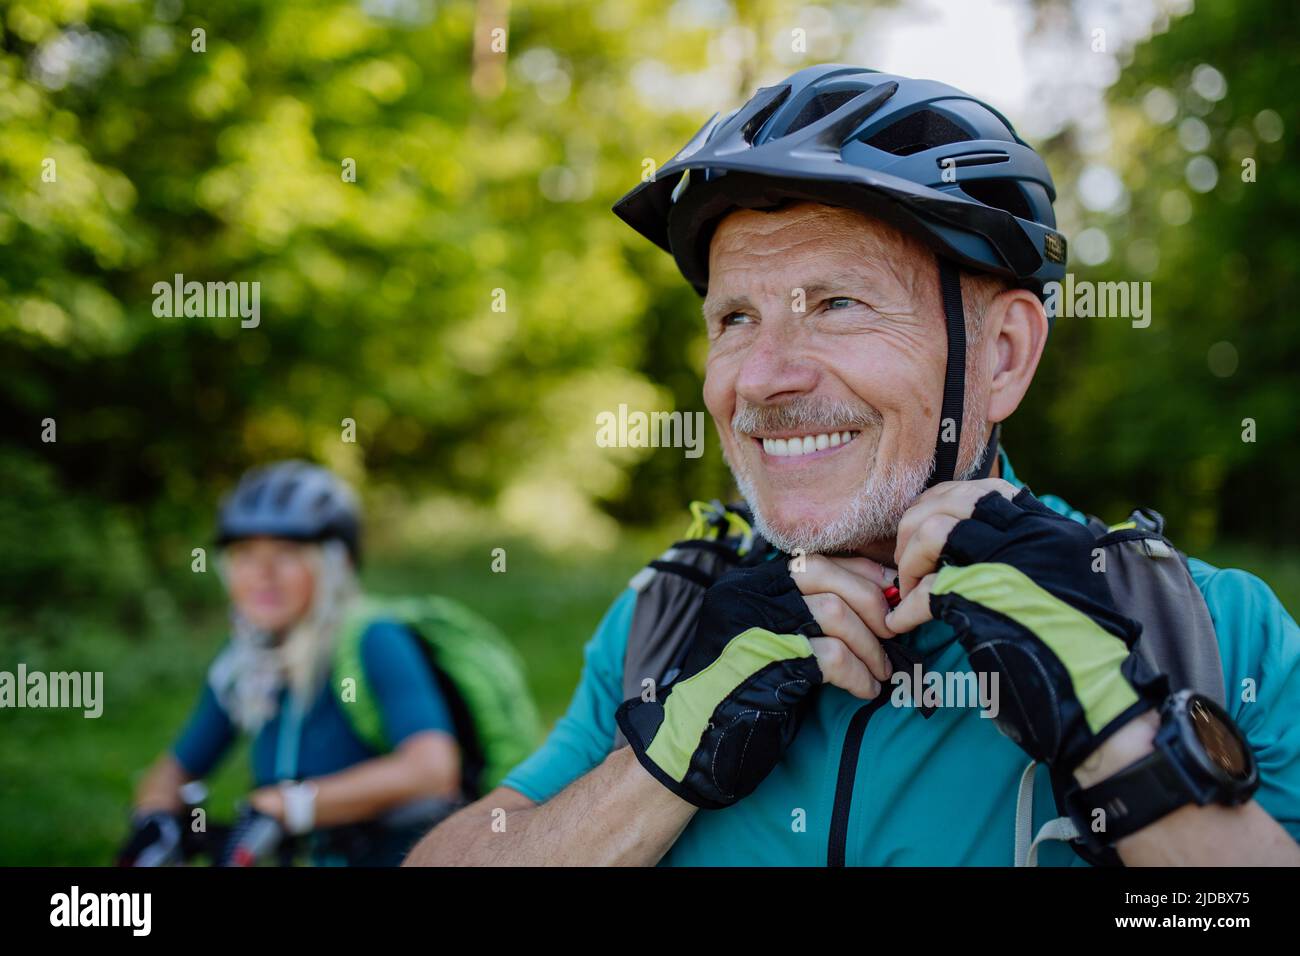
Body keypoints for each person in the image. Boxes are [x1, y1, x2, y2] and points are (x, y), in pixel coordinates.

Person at [405, 64, 1300, 866]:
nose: (763, 378)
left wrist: (1120, 735)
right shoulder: (668, 622)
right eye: (735, 319)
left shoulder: (1203, 630)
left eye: (837, 304)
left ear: (1001, 358)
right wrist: (659, 763)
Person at [119, 461, 532, 866]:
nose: (263, 573)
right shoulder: (247, 662)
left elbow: (432, 769)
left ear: (338, 564)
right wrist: (155, 817)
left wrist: (289, 806)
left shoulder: (374, 638)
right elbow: (175, 769)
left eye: (288, 552)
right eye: (245, 553)